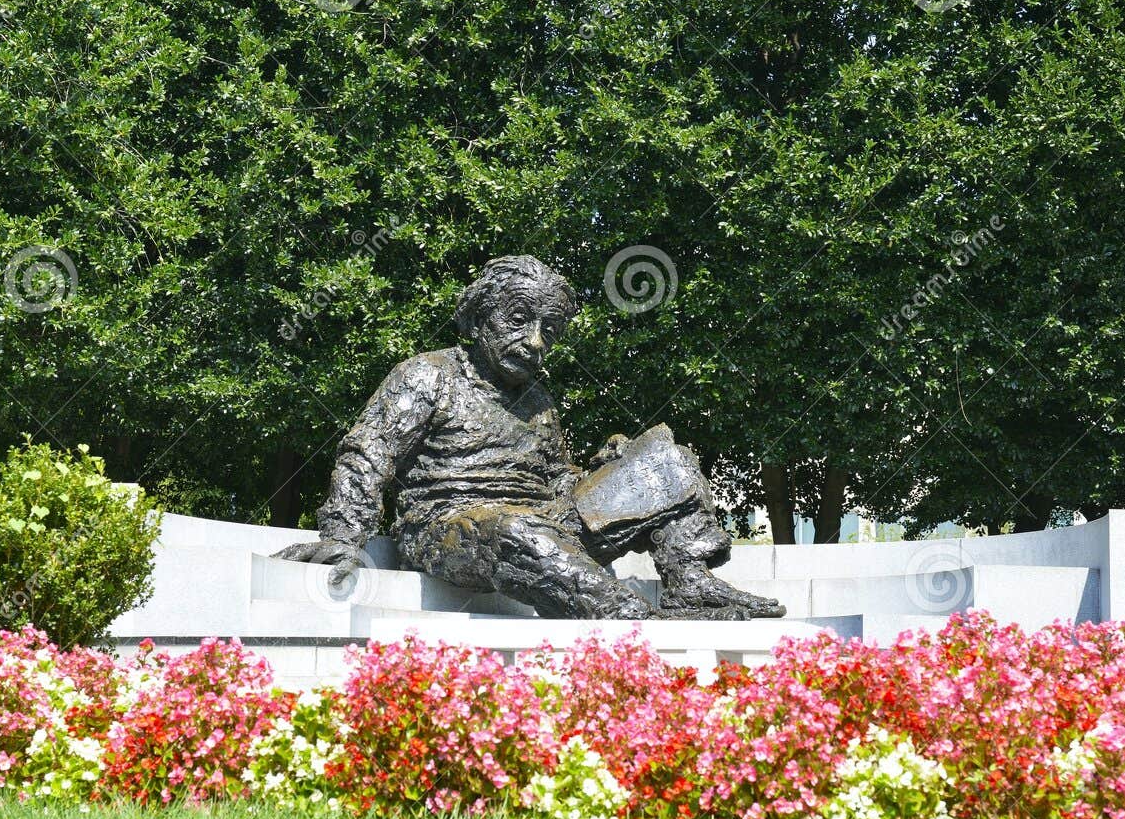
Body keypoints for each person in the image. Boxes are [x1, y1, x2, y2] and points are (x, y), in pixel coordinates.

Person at [276, 254, 784, 620]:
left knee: (665, 458)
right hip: (448, 527)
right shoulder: (428, 375)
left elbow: (559, 482)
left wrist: (602, 470)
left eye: (549, 330)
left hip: (545, 520)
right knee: (518, 532)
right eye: (519, 320)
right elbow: (366, 456)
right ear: (480, 319)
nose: (536, 342)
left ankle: (689, 583)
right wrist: (342, 538)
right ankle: (624, 616)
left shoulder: (539, 401)